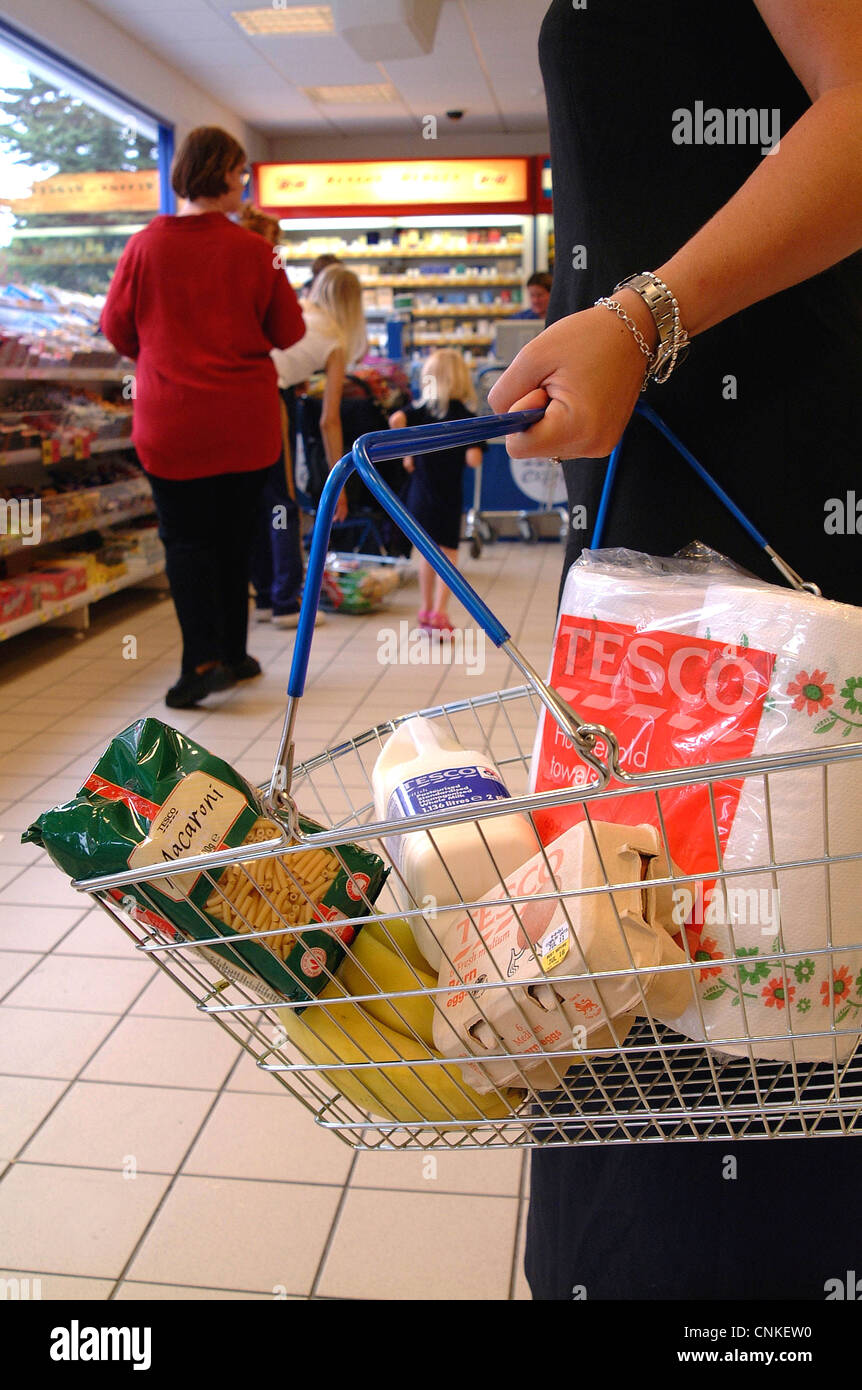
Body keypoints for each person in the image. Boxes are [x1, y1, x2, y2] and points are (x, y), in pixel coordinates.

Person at [488, 0, 862, 1300]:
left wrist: (643, 316)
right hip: (667, 576)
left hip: (778, 560)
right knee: (631, 1000)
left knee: (741, 1091)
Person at [100, 127, 305, 708]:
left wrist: (167, 349)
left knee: (186, 542)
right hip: (244, 423)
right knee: (234, 540)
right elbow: (289, 331)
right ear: (219, 172)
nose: (244, 183)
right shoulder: (254, 250)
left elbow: (115, 330)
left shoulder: (143, 247)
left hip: (172, 424)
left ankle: (203, 662)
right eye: (241, 172)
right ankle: (233, 656)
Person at [256, 264, 366, 624]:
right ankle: (287, 602)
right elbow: (329, 420)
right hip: (269, 397)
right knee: (284, 501)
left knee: (258, 496)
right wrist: (341, 486)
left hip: (239, 388)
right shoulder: (336, 338)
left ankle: (264, 594)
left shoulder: (300, 310)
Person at [388, 349, 482, 634]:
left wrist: (407, 453)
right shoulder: (464, 415)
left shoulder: (418, 412)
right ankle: (441, 612)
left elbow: (395, 421)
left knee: (426, 553)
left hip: (420, 492)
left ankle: (425, 609)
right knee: (448, 553)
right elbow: (473, 460)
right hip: (447, 495)